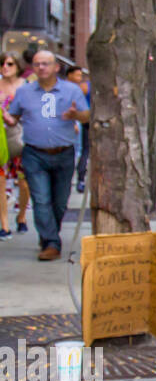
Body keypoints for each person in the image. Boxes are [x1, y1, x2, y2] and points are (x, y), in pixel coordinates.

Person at [1, 50, 90, 260]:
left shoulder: (71, 90)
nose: (41, 67)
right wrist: (7, 118)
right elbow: (14, 117)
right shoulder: (25, 92)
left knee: (59, 202)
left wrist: (75, 115)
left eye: (46, 64)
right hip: (34, 153)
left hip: (64, 152)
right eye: (37, 64)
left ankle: (49, 233)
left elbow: (86, 116)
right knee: (41, 200)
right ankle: (51, 242)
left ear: (56, 67)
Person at [1, 53, 30, 238]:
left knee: (24, 182)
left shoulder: (27, 87)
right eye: (2, 64)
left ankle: (21, 217)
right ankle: (4, 224)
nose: (5, 67)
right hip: (1, 140)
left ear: (17, 66)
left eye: (9, 64)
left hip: (22, 138)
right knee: (0, 182)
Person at [66, 66, 91, 193]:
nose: (79, 78)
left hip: (87, 121)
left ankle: (81, 178)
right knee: (82, 150)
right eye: (77, 75)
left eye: (80, 75)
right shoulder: (84, 87)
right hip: (82, 121)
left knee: (84, 150)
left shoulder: (83, 87)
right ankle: (79, 178)